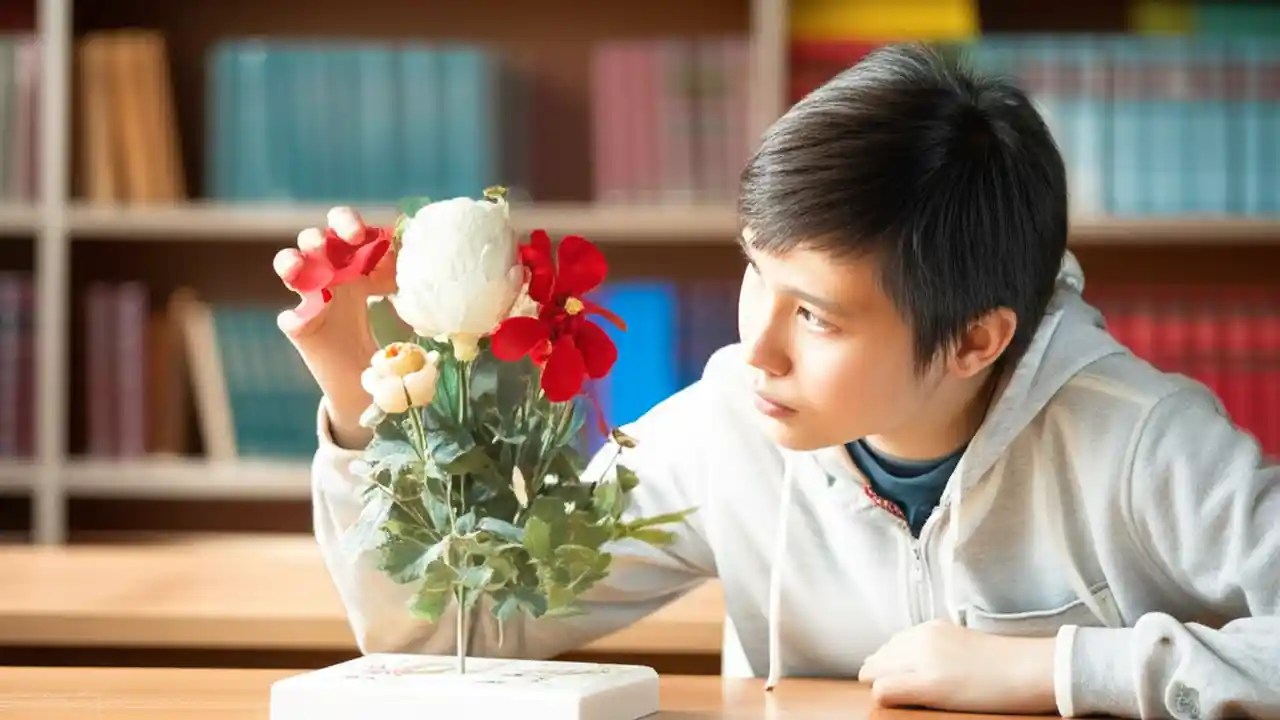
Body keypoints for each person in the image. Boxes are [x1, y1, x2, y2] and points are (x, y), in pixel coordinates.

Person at [276, 43, 1279, 718]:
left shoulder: (1140, 439)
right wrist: (363, 397)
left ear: (975, 340)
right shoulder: (726, 429)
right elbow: (443, 625)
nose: (755, 346)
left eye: (814, 313)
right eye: (755, 273)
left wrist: (1052, 669)